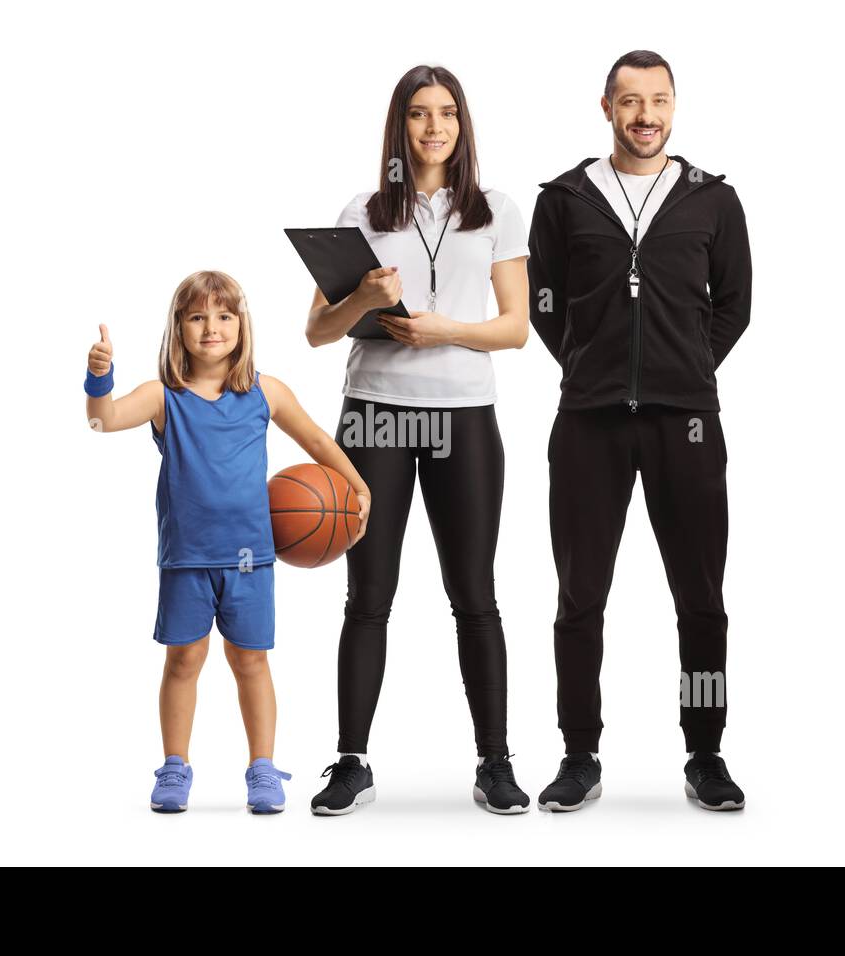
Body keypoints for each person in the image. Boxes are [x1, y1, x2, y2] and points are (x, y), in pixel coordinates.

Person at [303, 65, 532, 814]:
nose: (434, 128)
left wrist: (445, 331)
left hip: (464, 414)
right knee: (368, 596)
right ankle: (350, 761)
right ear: (398, 128)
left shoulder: (495, 210)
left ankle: (494, 762)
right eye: (418, 115)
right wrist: (364, 296)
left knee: (475, 595)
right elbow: (315, 331)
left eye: (446, 115)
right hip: (375, 413)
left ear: (462, 125)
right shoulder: (362, 211)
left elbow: (516, 327)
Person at [528, 50, 752, 811]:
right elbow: (545, 301)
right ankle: (579, 752)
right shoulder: (564, 197)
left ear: (675, 107)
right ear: (606, 108)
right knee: (578, 597)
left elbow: (734, 306)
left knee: (702, 599)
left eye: (658, 100)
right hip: (587, 424)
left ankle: (706, 751)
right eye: (630, 101)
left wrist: (681, 368)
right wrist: (592, 366)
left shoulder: (712, 200)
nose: (645, 115)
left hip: (685, 422)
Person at [84, 270, 371, 814]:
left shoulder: (265, 390)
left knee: (251, 663)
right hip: (187, 559)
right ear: (177, 328)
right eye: (196, 316)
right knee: (183, 662)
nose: (211, 327)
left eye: (223, 316)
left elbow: (315, 440)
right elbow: (103, 421)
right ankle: (174, 767)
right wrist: (100, 378)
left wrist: (358, 487)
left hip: (250, 562)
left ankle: (262, 769)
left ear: (241, 326)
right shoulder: (161, 396)